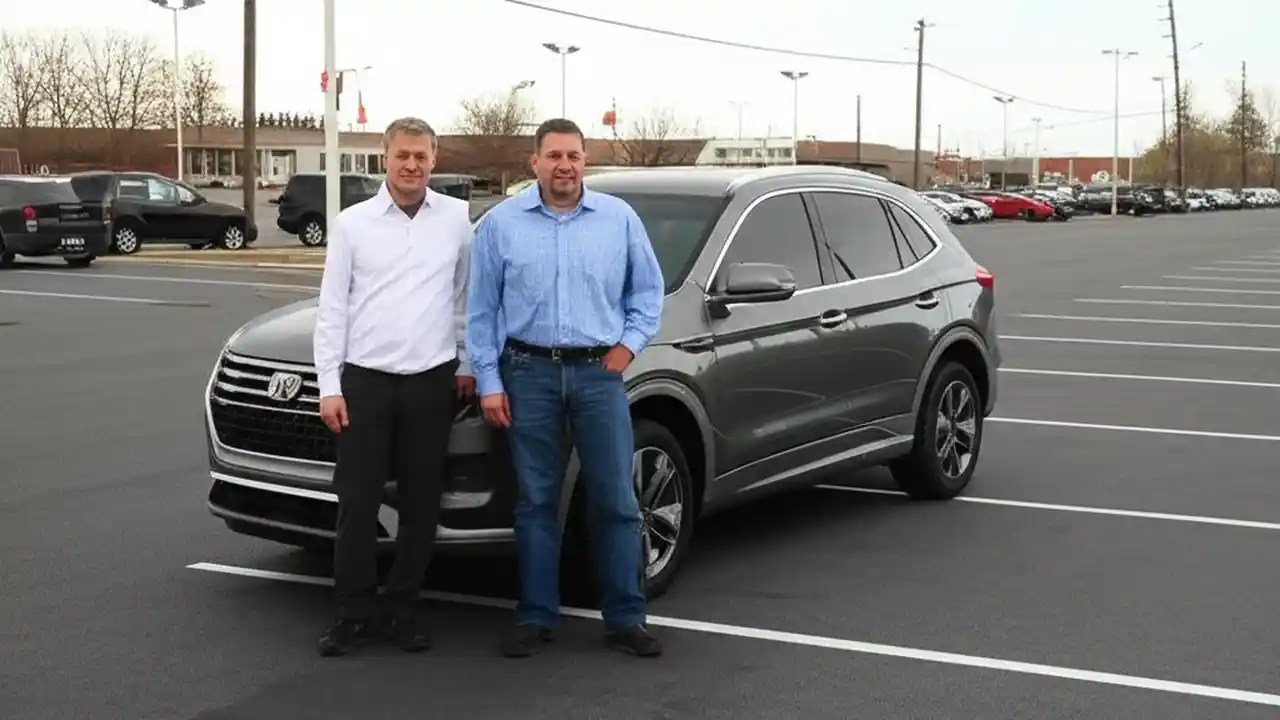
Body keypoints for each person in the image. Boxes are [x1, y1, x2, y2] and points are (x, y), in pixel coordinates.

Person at [467, 118, 666, 658]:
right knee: (534, 501)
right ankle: (535, 616)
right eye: (554, 155)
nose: (565, 166)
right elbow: (481, 311)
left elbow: (648, 292)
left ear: (585, 161)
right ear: (535, 162)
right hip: (527, 374)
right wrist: (488, 380)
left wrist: (627, 346)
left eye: (574, 156)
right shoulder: (501, 225)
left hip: (598, 376)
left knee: (617, 501)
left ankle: (625, 617)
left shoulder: (618, 220)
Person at [312, 117, 475, 657]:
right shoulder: (353, 224)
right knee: (356, 502)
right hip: (365, 381)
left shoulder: (456, 220)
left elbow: (463, 300)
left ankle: (402, 609)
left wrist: (467, 362)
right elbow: (333, 308)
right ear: (384, 156)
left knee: (421, 503)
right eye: (402, 154)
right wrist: (329, 385)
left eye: (421, 156)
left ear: (434, 158)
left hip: (431, 382)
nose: (411, 164)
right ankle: (352, 612)